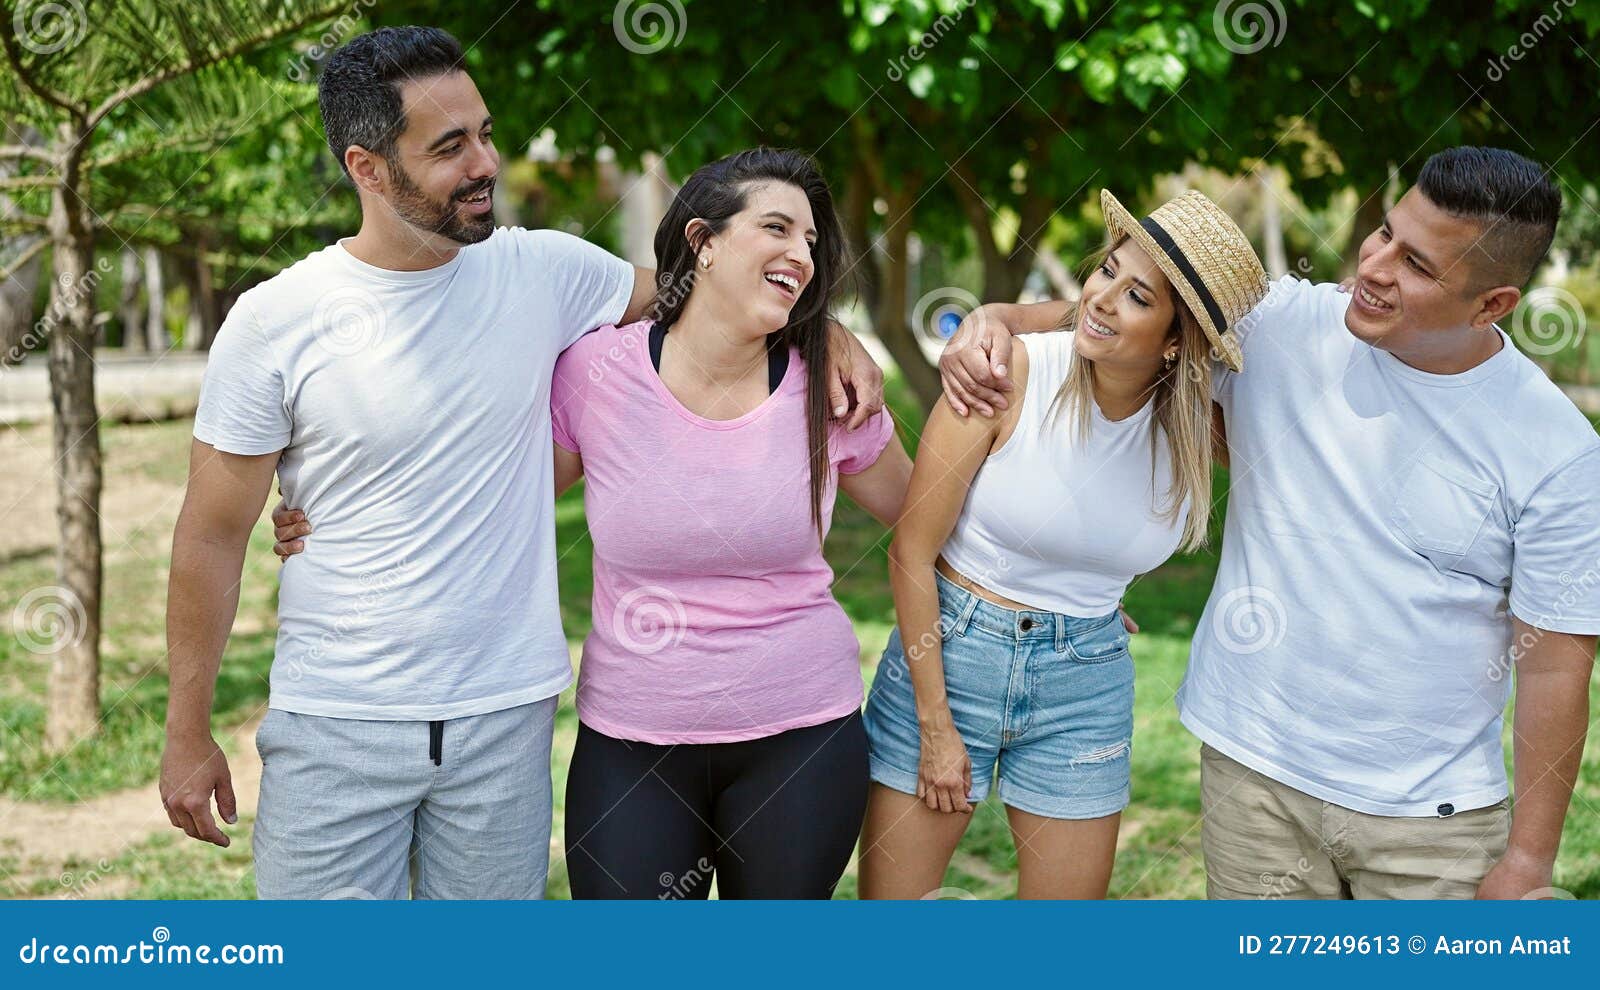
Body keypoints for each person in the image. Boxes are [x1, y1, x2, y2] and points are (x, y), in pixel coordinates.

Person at [159, 27, 883, 901]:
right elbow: (209, 535)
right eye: (449, 147)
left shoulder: (547, 271)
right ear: (369, 168)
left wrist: (828, 328)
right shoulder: (276, 321)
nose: (485, 163)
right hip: (337, 725)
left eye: (486, 133)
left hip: (504, 727)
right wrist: (186, 729)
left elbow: (717, 295)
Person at [941, 147, 1600, 900]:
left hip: (1432, 823)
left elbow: (1553, 661)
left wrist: (1527, 862)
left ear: (1493, 305)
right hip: (1250, 780)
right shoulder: (1282, 323)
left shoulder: (1557, 451)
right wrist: (990, 321)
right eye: (1385, 233)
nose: (1376, 267)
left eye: (1417, 265)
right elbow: (1116, 315)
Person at [274, 147, 913, 899]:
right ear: (703, 242)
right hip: (633, 740)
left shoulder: (826, 388)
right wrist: (327, 513)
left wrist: (1004, 338)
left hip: (802, 734)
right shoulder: (596, 374)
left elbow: (925, 518)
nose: (801, 253)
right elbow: (487, 495)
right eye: (777, 228)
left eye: (811, 241)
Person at [857, 190, 1266, 899]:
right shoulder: (1007, 375)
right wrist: (936, 727)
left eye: (1137, 295)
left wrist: (1080, 601)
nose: (1102, 299)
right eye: (1106, 271)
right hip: (951, 653)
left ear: (1176, 340)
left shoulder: (1198, 432)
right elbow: (911, 551)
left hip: (1086, 680)